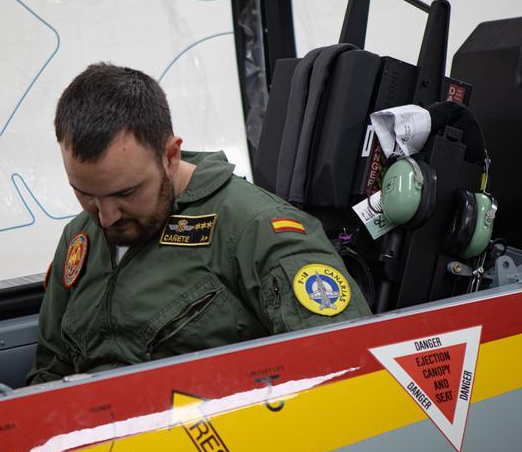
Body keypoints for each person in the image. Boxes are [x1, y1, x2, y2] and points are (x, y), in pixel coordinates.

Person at [27, 63, 370, 384]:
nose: (106, 216)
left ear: (171, 156)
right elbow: (48, 374)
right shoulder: (79, 238)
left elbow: (344, 370)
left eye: (126, 193)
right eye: (85, 193)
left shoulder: (255, 230)